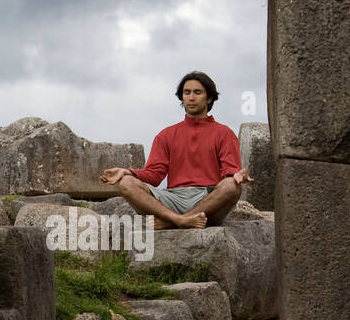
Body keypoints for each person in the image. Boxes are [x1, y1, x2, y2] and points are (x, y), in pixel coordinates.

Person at [100, 71, 253, 229]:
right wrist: (127, 172)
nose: (191, 97)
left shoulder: (224, 133)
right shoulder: (166, 135)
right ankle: (179, 220)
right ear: (182, 97)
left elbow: (229, 172)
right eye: (187, 92)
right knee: (126, 183)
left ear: (209, 98)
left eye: (197, 92)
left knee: (232, 185)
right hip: (173, 198)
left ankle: (173, 222)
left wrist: (237, 174)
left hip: (207, 200)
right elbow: (154, 175)